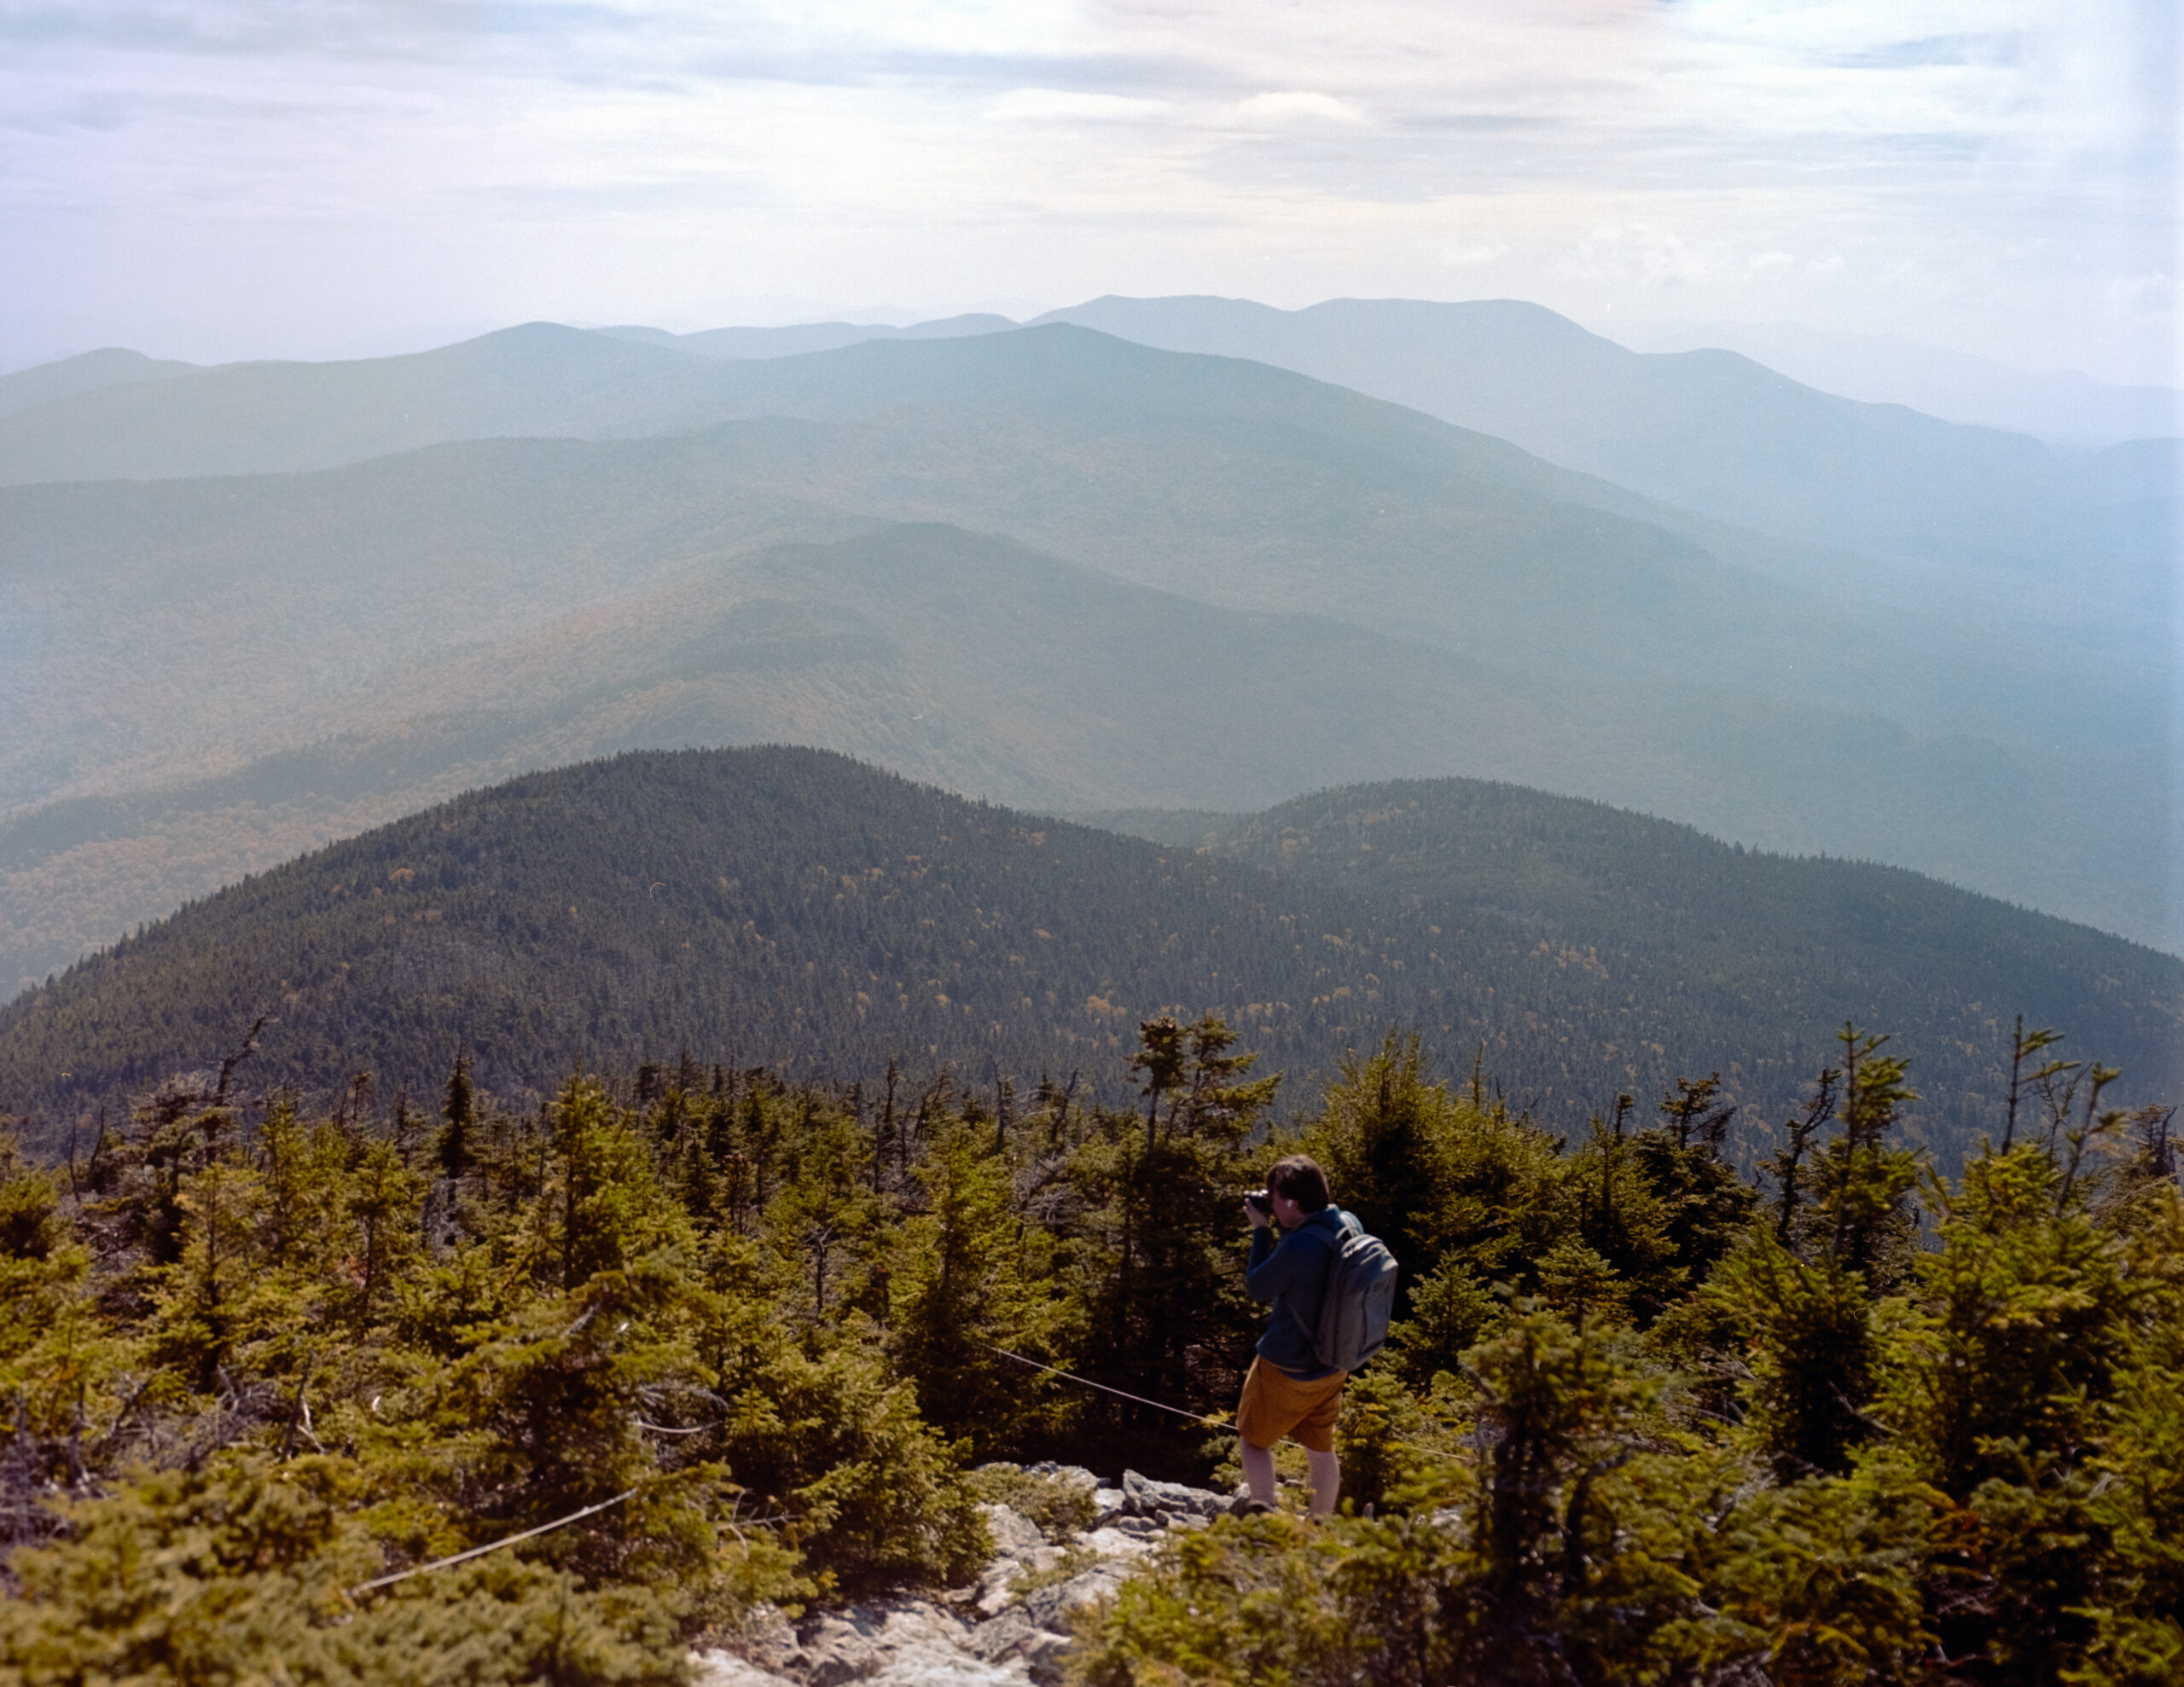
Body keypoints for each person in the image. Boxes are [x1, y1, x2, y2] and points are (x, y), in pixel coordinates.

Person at [1234, 1153, 1357, 1516]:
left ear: (1291, 1202)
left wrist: (1260, 1230)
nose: (1268, 1205)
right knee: (1321, 1448)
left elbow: (1258, 1286)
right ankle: (1320, 1523)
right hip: (1333, 1363)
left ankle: (1264, 1514)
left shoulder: (1299, 1246)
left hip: (1287, 1365)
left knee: (1254, 1441)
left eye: (1272, 1198)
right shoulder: (1347, 1225)